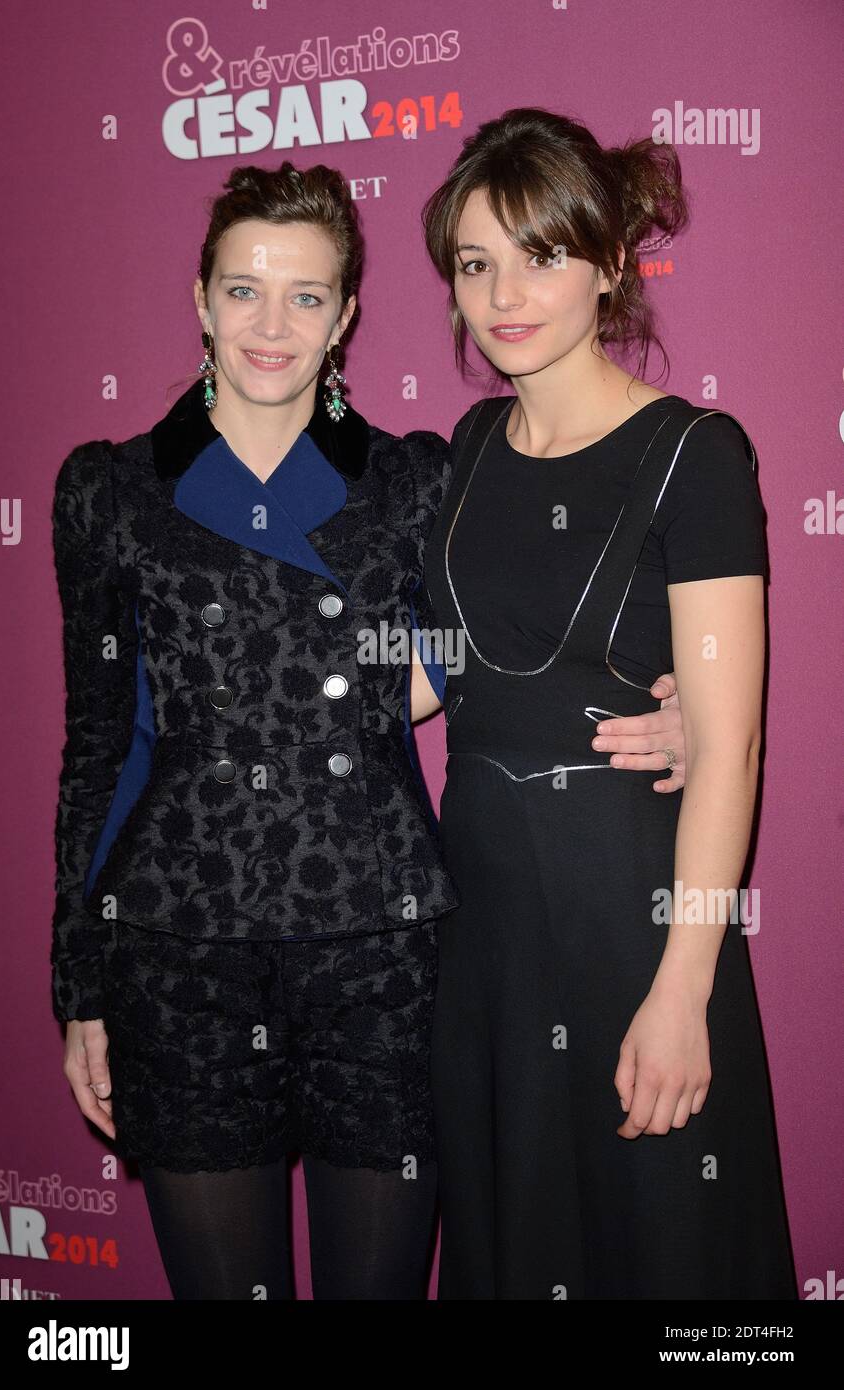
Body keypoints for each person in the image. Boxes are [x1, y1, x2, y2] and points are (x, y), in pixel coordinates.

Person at [50, 159, 688, 1300]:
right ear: (199, 299)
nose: (270, 323)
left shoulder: (412, 480)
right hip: (179, 951)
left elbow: (501, 641)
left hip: (379, 951)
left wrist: (671, 704)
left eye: (306, 295)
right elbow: (104, 738)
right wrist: (80, 982)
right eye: (243, 289)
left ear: (345, 314)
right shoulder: (110, 490)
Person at [415, 108, 799, 1299]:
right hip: (485, 946)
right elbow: (429, 671)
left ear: (609, 264)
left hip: (632, 931)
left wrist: (683, 986)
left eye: (539, 255)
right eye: (475, 263)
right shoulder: (467, 445)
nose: (503, 295)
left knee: (663, 1258)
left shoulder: (693, 455)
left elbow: (727, 749)